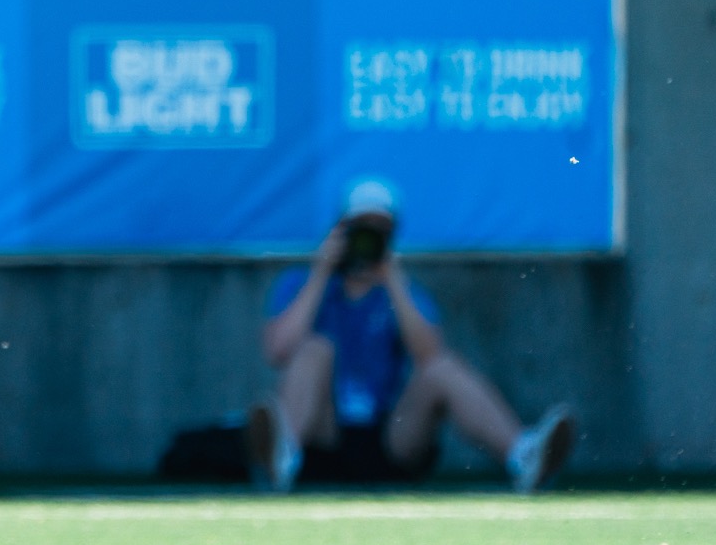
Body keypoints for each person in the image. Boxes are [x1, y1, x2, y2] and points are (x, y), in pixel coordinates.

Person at [246, 178, 576, 495]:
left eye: (378, 232)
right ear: (339, 229)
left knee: (442, 368)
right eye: (358, 229)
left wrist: (392, 281)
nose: (366, 241)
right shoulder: (299, 283)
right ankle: (281, 459)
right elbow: (277, 350)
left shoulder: (406, 292)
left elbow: (430, 356)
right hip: (323, 436)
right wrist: (321, 272)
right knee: (315, 349)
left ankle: (523, 455)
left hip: (391, 437)